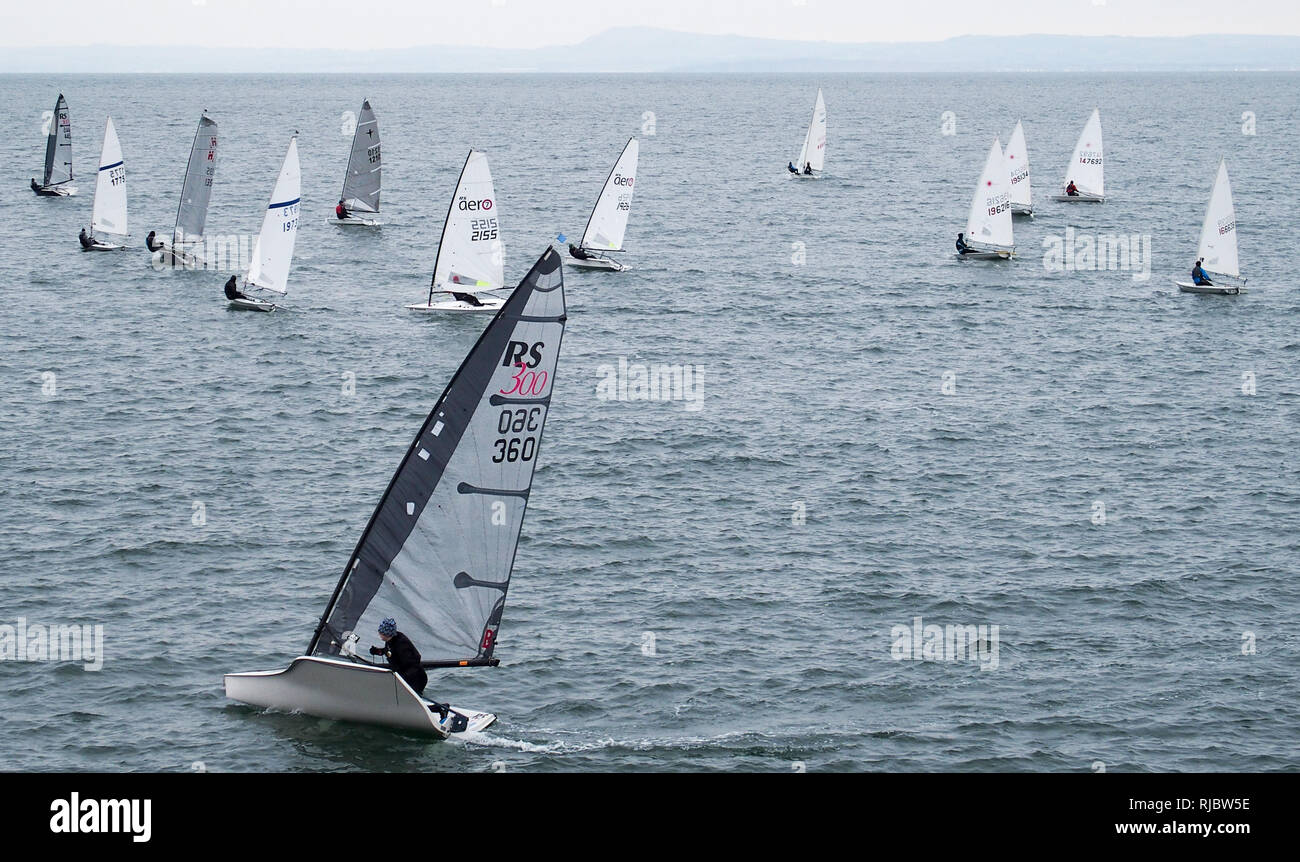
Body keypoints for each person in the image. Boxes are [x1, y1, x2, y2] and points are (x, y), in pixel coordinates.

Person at [369, 617, 431, 699]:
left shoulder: (401, 644)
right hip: (404, 677)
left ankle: (436, 708)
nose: (379, 634)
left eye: (380, 632)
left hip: (416, 679)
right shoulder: (391, 640)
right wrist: (378, 651)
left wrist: (403, 678)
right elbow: (390, 652)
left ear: (386, 633)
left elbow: (414, 661)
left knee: (411, 699)